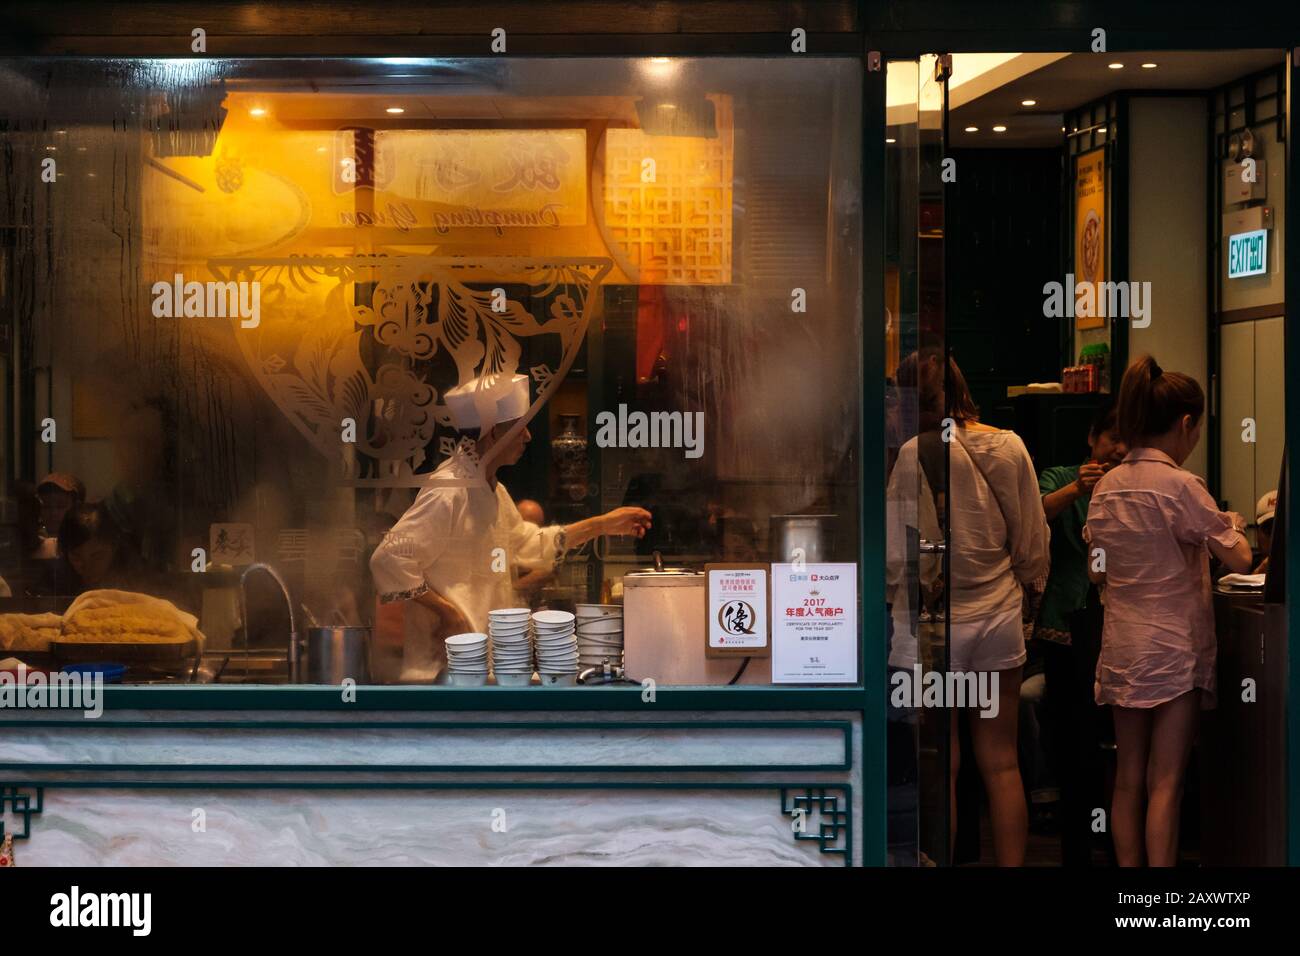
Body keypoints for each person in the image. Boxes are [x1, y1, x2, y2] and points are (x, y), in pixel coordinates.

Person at [369, 372, 652, 680]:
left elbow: (527, 545)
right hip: (439, 674)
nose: (528, 437)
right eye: (520, 427)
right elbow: (389, 558)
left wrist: (603, 525)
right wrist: (446, 611)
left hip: (478, 671)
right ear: (492, 433)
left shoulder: (492, 490)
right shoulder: (450, 488)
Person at [1085, 355, 1253, 867]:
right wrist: (1232, 522)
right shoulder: (1183, 486)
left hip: (1123, 649)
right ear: (1185, 424)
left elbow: (1097, 570)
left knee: (1128, 779)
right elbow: (1240, 556)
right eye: (1196, 429)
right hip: (1174, 651)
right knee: (1167, 782)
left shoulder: (1106, 487)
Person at [886, 351, 1050, 866]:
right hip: (999, 618)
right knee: (1002, 765)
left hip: (937, 627)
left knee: (945, 764)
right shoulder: (1009, 446)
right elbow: (1033, 547)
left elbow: (897, 557)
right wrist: (1020, 585)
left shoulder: (915, 453)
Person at [1035, 403, 1127, 865]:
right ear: (1093, 438)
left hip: (1118, 628)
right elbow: (1036, 514)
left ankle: (1112, 839)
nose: (1119, 447)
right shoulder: (1060, 476)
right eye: (1112, 437)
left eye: (1127, 439)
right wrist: (1078, 487)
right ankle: (1076, 844)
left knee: (1111, 741)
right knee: (1072, 738)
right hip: (1064, 625)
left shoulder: (1134, 481)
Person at [511, 498, 556, 604]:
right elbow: (498, 590)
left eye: (537, 527)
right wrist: (529, 580)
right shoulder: (498, 549)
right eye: (527, 526)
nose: (532, 532)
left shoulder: (544, 549)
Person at [35, 472, 86, 559]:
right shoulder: (31, 543)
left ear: (77, 508)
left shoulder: (87, 546)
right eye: (46, 506)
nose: (53, 513)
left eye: (61, 506)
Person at [1252, 490, 1277, 574]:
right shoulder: (1244, 565)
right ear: (1257, 531)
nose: (1276, 536)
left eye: (1283, 530)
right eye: (1269, 529)